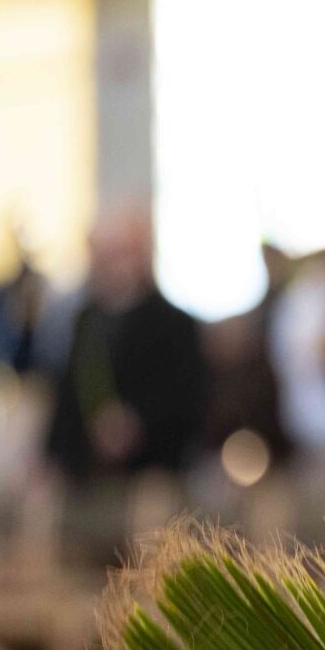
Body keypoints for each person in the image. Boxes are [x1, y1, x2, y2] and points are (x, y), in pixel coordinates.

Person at [42, 205, 207, 481]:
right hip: (91, 475)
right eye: (105, 256)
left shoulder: (174, 324)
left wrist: (137, 424)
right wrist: (56, 455)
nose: (114, 266)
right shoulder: (87, 321)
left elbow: (187, 399)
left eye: (121, 253)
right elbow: (69, 395)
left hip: (157, 473)